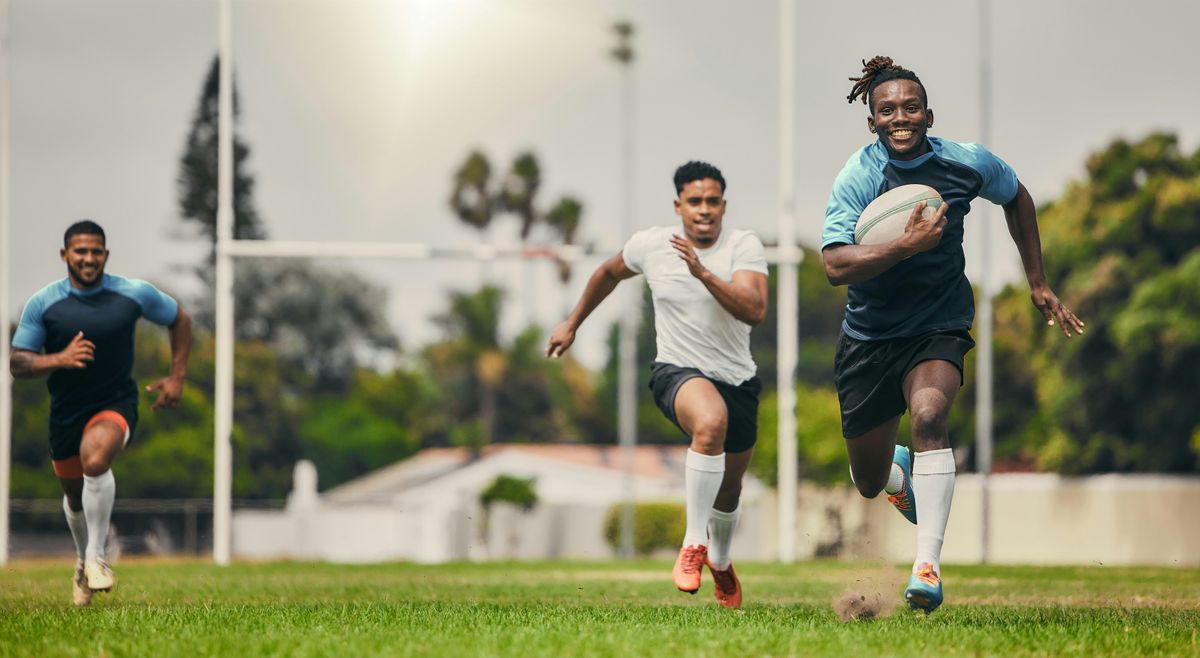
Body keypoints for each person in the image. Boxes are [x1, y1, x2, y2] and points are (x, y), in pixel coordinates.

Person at [821, 57, 1085, 613]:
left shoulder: (966, 163)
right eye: (887, 110)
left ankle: (927, 568)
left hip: (938, 324)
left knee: (929, 418)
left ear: (928, 114)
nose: (900, 118)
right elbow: (835, 265)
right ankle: (895, 472)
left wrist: (1037, 281)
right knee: (867, 481)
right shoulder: (859, 176)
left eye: (911, 107)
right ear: (871, 121)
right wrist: (902, 247)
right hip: (868, 337)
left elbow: (1017, 196)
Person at [546, 161, 768, 609]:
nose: (703, 210)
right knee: (710, 423)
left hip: (738, 378)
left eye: (712, 201)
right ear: (678, 205)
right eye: (694, 201)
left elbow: (754, 308)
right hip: (677, 371)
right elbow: (609, 273)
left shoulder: (743, 246)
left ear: (723, 205)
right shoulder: (651, 244)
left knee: (730, 489)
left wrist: (703, 273)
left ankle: (721, 561)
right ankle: (692, 545)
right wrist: (572, 322)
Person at [9, 220, 192, 606]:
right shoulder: (44, 303)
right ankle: (82, 561)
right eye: (80, 251)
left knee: (96, 458)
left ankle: (97, 557)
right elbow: (18, 363)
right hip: (65, 413)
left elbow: (179, 319)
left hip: (116, 403)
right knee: (74, 500)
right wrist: (60, 358)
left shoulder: (133, 294)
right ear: (65, 255)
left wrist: (176, 377)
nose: (89, 258)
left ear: (106, 255)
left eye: (96, 251)